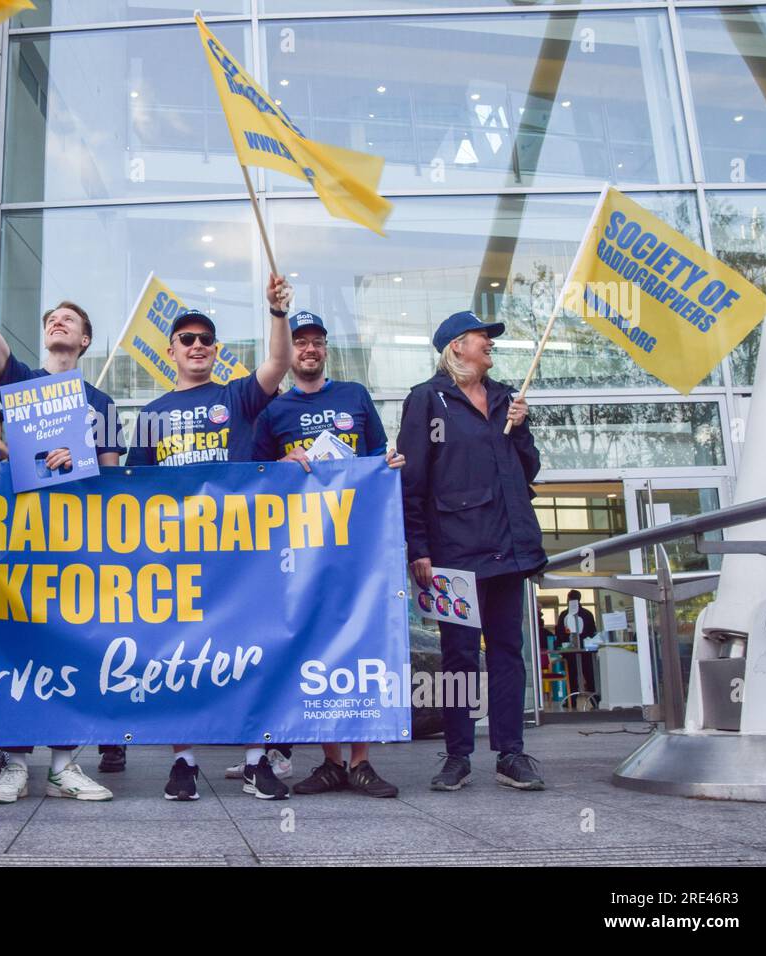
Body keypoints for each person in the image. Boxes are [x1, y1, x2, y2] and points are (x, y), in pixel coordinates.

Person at [0, 218, 123, 799]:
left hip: (75, 543)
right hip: (21, 540)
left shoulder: (101, 401)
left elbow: (114, 471)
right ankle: (15, 763)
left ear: (84, 341)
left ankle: (65, 763)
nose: (57, 321)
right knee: (20, 641)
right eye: (53, 317)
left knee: (70, 644)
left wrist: (76, 463)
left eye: (69, 320)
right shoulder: (18, 380)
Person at [127, 275, 293, 801]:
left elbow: (279, 364)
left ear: (215, 351)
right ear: (171, 350)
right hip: (176, 558)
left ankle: (253, 759)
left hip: (240, 553)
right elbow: (133, 489)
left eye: (205, 340)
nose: (196, 345)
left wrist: (276, 313)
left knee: (249, 651)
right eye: (187, 339)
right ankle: (183, 762)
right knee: (176, 655)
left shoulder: (236, 395)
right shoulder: (151, 415)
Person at [252, 310, 404, 799]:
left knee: (360, 643)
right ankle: (329, 761)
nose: (310, 349)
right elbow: (253, 477)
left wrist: (391, 463)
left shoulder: (354, 396)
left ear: (325, 351)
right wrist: (280, 463)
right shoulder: (274, 410)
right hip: (302, 549)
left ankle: (361, 761)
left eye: (318, 341)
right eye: (301, 342)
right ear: (289, 352)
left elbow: (382, 456)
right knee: (315, 647)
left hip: (359, 546)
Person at [398, 310, 548, 792]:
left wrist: (521, 429)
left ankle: (511, 753)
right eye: (484, 336)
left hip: (508, 547)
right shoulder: (426, 400)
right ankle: (457, 755)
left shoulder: (506, 397)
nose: (491, 343)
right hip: (453, 551)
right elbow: (412, 481)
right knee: (459, 654)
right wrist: (417, 546)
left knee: (508, 650)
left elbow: (528, 469)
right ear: (457, 346)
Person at [555, 588, 598, 698]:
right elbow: (593, 631)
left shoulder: (564, 614)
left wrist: (562, 644)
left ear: (568, 599)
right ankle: (594, 698)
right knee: (589, 674)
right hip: (586, 649)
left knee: (571, 674)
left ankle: (572, 699)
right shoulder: (588, 614)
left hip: (570, 650)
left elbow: (559, 632)